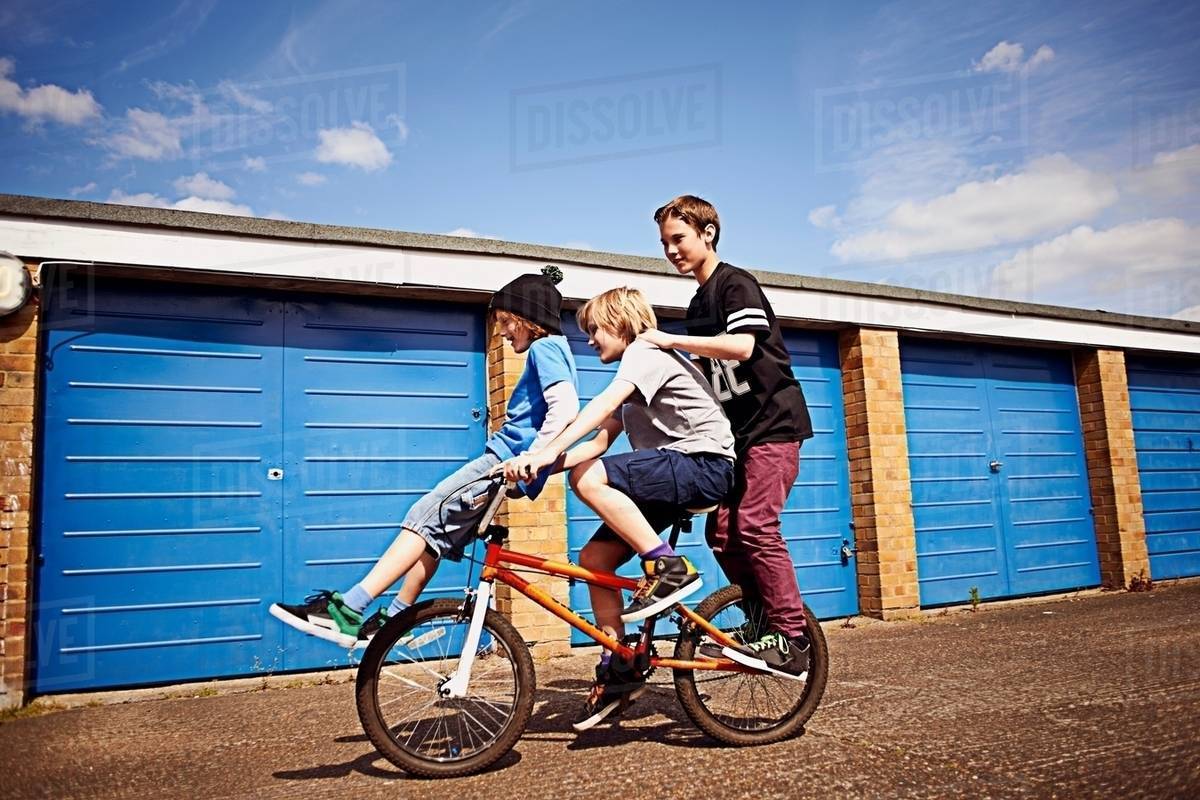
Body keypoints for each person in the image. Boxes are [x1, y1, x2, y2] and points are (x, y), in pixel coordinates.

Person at [271, 266, 579, 648]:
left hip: (503, 462)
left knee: (422, 518)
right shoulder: (557, 351)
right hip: (512, 467)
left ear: (527, 319)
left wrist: (533, 457)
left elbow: (565, 408)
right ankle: (397, 617)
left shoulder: (545, 347)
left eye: (504, 322)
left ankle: (348, 610)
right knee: (436, 538)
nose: (500, 331)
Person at [503, 286, 735, 730]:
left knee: (589, 477)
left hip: (703, 465)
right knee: (595, 559)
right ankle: (620, 665)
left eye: (595, 330)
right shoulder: (635, 380)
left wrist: (544, 448)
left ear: (622, 322)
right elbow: (595, 442)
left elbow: (601, 407)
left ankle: (669, 568)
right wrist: (531, 469)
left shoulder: (645, 351)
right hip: (673, 473)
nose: (589, 340)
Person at [638, 194, 814, 678]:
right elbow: (701, 370)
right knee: (721, 531)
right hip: (738, 437)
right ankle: (762, 621)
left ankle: (792, 637)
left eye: (679, 238)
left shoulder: (734, 284)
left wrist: (670, 339)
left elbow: (740, 346)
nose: (671, 250)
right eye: (664, 243)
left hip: (773, 426)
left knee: (755, 524)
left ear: (707, 232)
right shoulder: (698, 300)